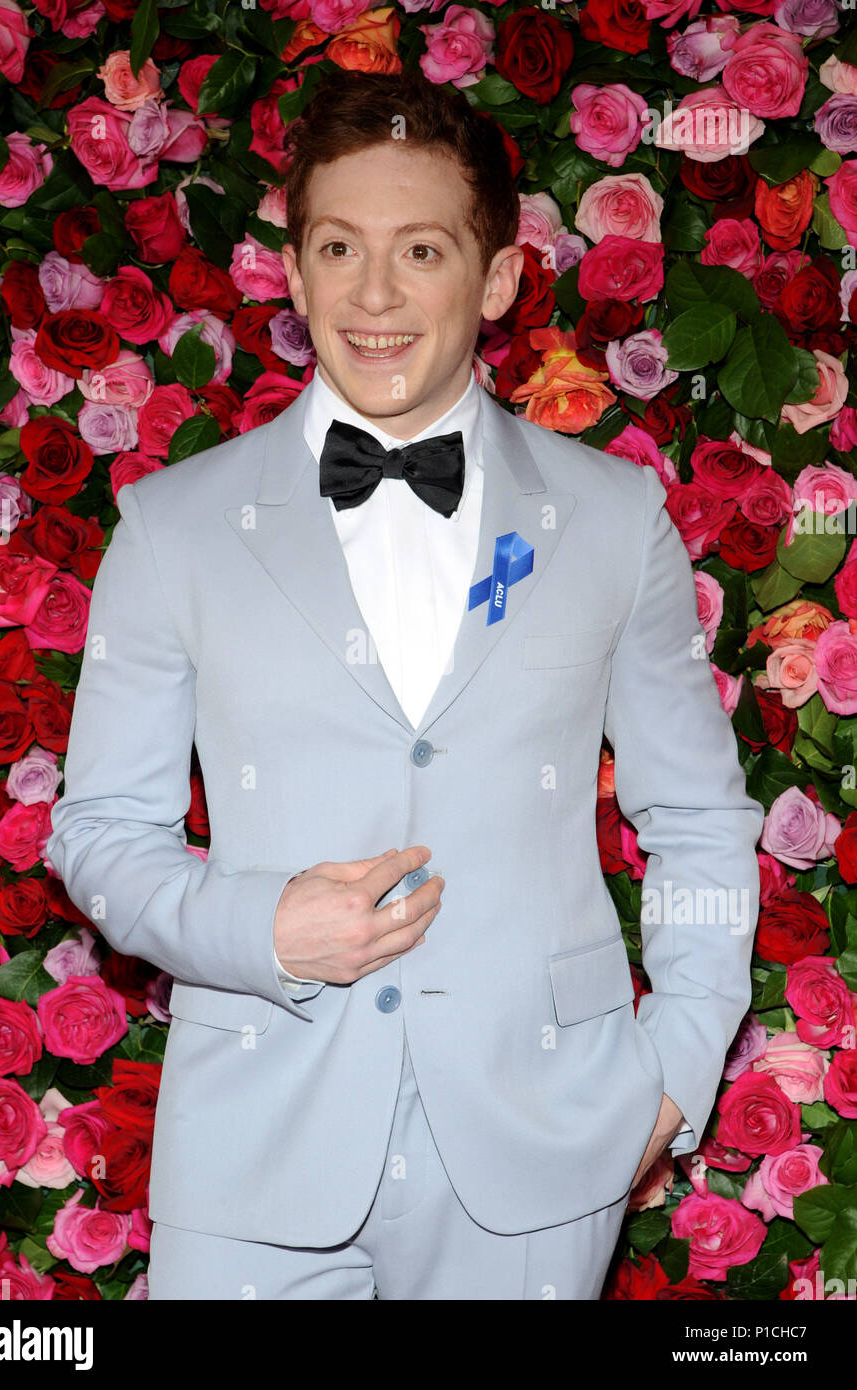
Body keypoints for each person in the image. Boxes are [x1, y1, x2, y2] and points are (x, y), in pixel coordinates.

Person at [44, 67, 765, 1300]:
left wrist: (676, 1071)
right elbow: (104, 832)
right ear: (297, 268)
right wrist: (263, 927)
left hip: (541, 1149)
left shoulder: (611, 516)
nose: (373, 295)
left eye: (420, 249)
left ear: (493, 279)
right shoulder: (173, 525)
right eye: (339, 246)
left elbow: (697, 820)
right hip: (254, 1154)